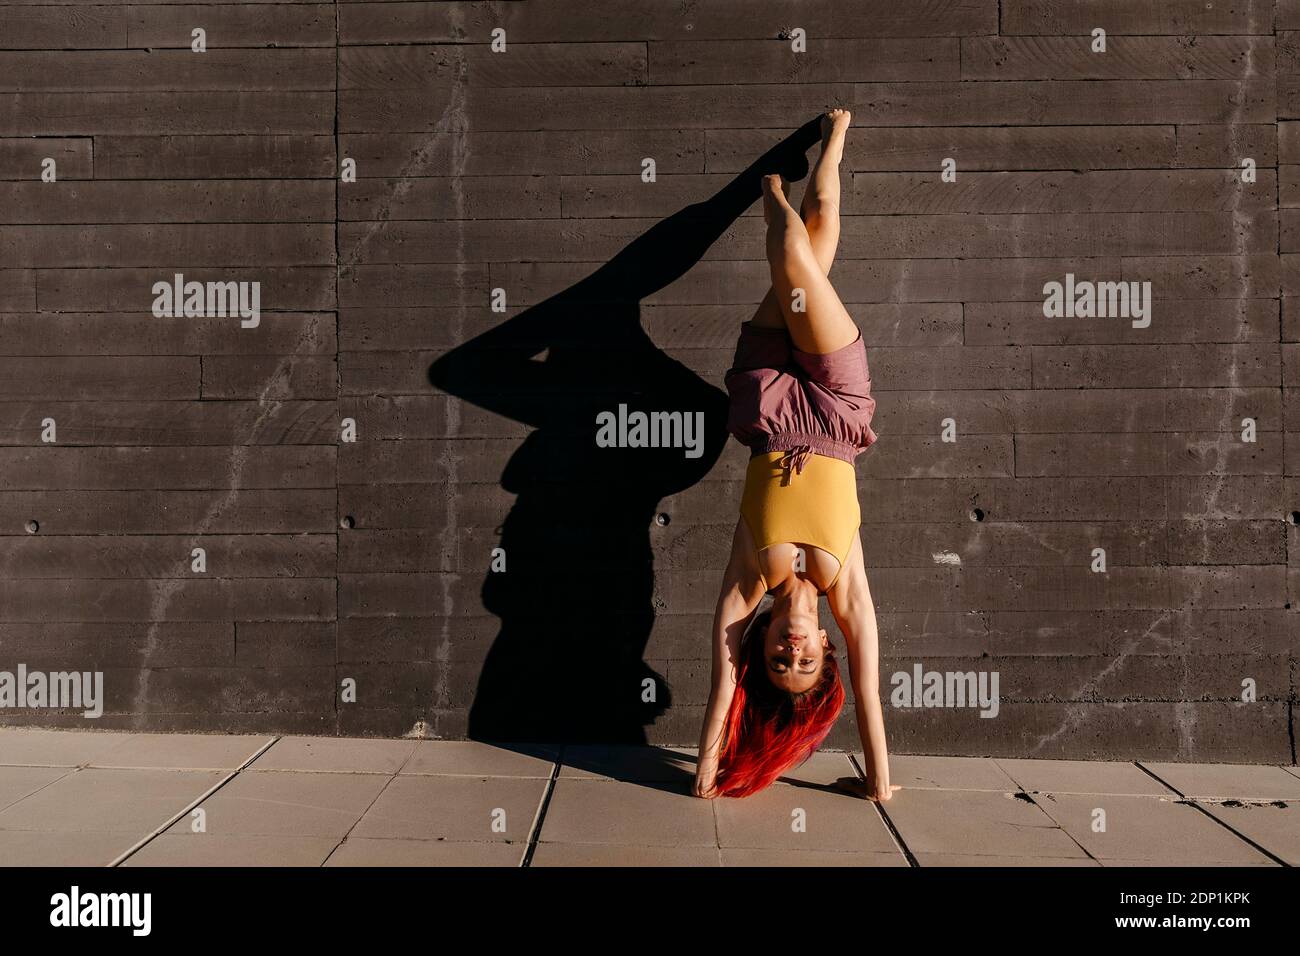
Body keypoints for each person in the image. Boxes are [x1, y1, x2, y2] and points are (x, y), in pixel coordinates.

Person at [693, 110, 898, 802]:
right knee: (800, 259)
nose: (794, 650)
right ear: (824, 651)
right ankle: (780, 182)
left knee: (811, 254)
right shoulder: (849, 595)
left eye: (780, 659)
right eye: (807, 661)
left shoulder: (747, 587)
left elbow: (723, 694)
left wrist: (706, 775)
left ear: (765, 645)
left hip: (767, 408)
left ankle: (812, 163)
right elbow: (868, 698)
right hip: (839, 412)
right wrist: (878, 784)